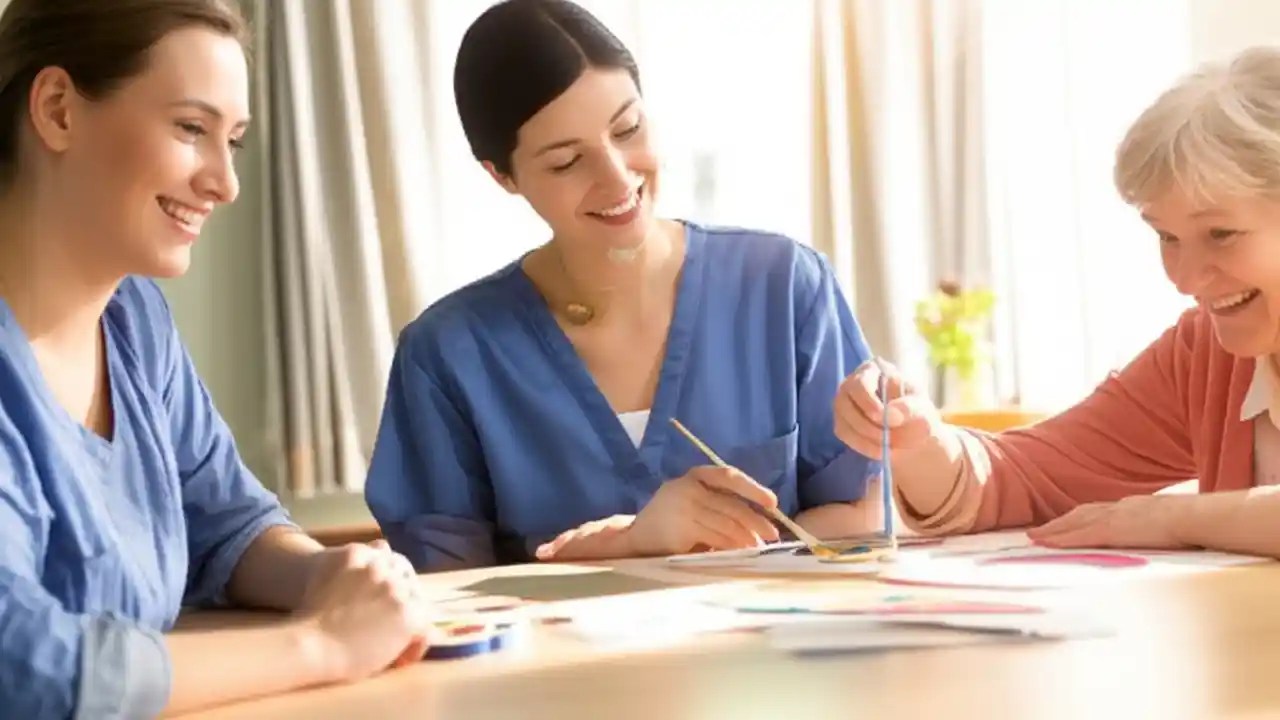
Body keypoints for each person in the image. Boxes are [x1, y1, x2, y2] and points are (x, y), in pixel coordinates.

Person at [0, 1, 433, 717]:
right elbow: (22, 666)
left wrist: (332, 574)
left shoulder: (135, 321)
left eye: (233, 140)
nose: (225, 183)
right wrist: (322, 644)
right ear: (57, 110)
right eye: (191, 129)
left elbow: (225, 523)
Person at [365, 0, 882, 572]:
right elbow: (447, 597)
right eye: (566, 162)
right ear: (502, 175)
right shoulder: (448, 355)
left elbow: (864, 514)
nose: (617, 178)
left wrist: (702, 554)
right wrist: (629, 544)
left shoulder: (783, 287)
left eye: (628, 128)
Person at [834, 46, 1280, 560]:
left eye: (1221, 234)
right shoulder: (1204, 355)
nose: (1183, 278)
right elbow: (1025, 476)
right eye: (1167, 237)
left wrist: (1172, 517)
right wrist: (920, 441)